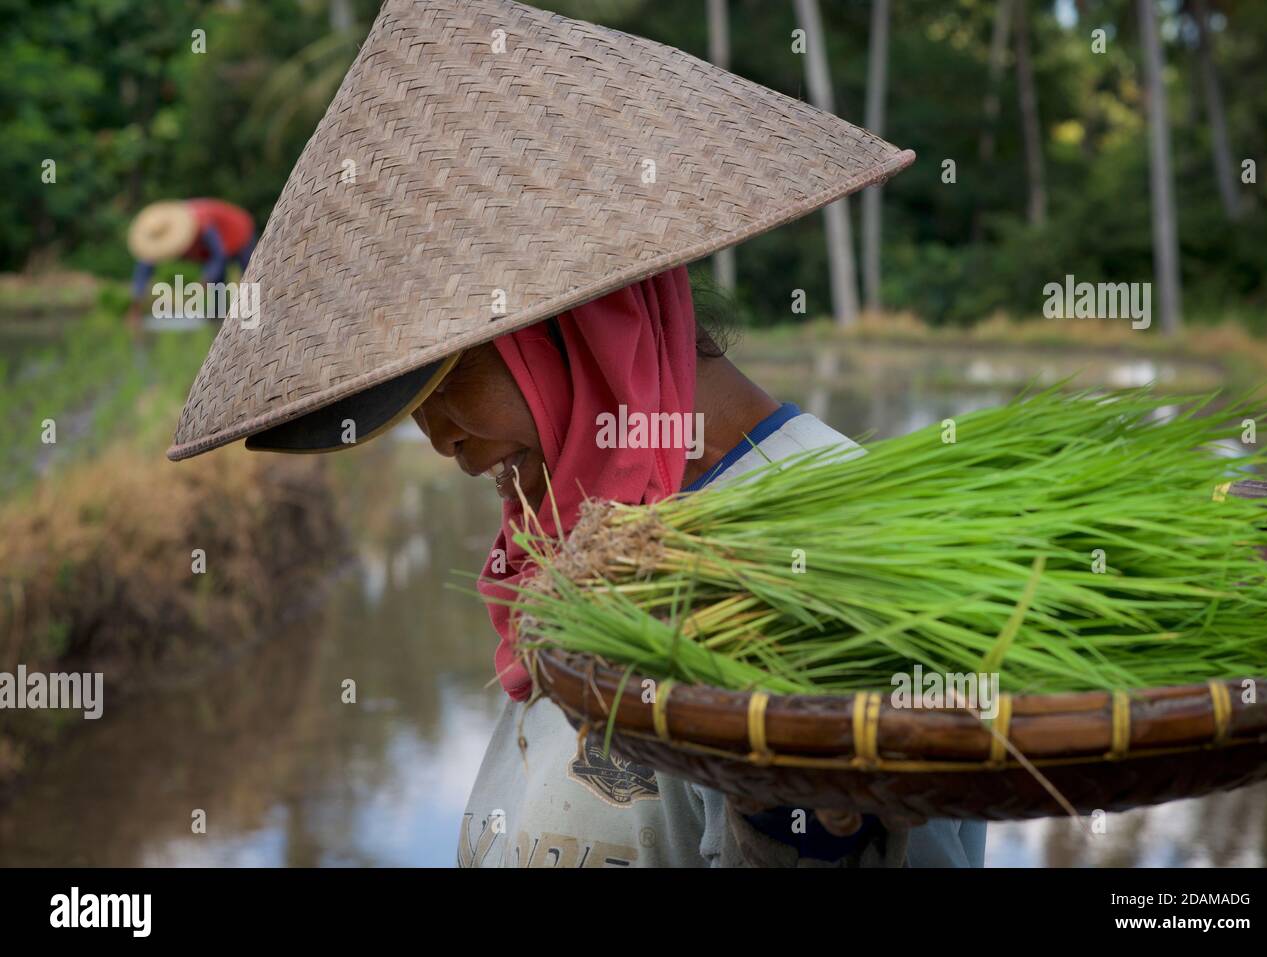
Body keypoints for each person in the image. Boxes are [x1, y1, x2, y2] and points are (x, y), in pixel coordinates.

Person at [167, 0, 982, 867]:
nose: (438, 437)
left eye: (448, 377)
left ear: (591, 326)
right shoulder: (591, 538)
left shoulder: (826, 557)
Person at [125, 199, 257, 326]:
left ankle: (254, 320)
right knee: (217, 291)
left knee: (250, 279)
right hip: (211, 251)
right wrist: (136, 304)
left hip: (238, 231)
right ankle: (220, 325)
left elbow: (219, 255)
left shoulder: (201, 224)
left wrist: (206, 279)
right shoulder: (158, 233)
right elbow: (144, 269)